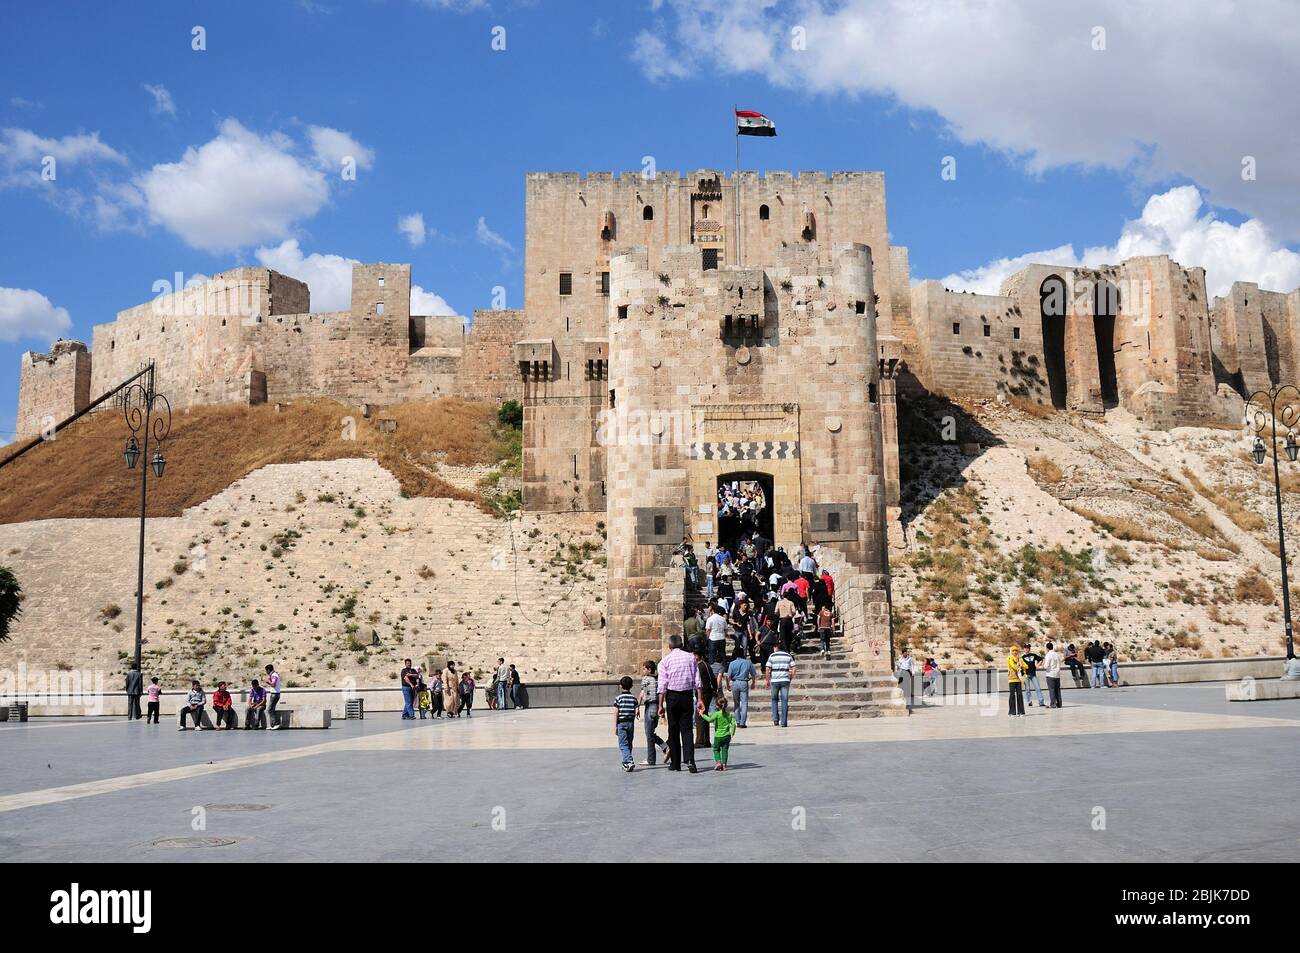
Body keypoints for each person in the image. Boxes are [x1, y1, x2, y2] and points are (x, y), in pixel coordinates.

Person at [657, 634, 704, 773]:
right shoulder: (691, 658)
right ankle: (690, 761)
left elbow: (662, 685)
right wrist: (700, 699)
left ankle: (675, 763)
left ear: (670, 646)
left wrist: (660, 705)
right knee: (687, 730)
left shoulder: (665, 661)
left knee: (673, 730)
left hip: (672, 697)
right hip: (687, 696)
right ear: (681, 644)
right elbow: (698, 680)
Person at [638, 660, 669, 766]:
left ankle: (651, 759)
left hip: (649, 706)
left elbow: (642, 694)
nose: (643, 671)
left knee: (649, 734)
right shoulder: (658, 680)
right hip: (657, 707)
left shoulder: (646, 679)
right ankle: (665, 747)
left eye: (644, 669)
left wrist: (638, 707)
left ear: (649, 669)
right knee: (650, 733)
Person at [700, 695, 737, 771]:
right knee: (725, 750)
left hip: (718, 736)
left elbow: (710, 719)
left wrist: (702, 715)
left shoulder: (717, 714)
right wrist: (732, 733)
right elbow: (733, 724)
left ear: (717, 706)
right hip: (727, 736)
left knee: (716, 749)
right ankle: (724, 765)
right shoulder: (729, 714)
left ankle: (718, 762)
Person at [766, 642, 796, 728]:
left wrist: (767, 680)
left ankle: (775, 719)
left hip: (775, 680)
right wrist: (791, 677)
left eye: (774, 647)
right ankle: (784, 722)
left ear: (776, 647)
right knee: (784, 700)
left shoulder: (772, 656)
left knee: (774, 699)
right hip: (785, 680)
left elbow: (767, 668)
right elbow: (794, 667)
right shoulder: (788, 656)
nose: (773, 649)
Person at [725, 651, 757, 728]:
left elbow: (728, 676)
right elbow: (753, 674)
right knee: (744, 703)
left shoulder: (732, 663)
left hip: (735, 683)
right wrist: (753, 683)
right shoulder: (748, 662)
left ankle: (738, 721)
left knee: (736, 703)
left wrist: (727, 685)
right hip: (744, 683)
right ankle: (743, 722)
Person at [614, 676, 638, 772]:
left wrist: (615, 725)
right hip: (631, 723)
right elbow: (636, 710)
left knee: (623, 744)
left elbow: (616, 712)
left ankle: (629, 760)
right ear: (631, 686)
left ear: (620, 686)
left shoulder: (618, 698)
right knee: (629, 743)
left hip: (621, 723)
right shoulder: (633, 698)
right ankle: (626, 763)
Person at [1021, 642, 1046, 707]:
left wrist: (1038, 665)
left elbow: (1041, 659)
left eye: (1028, 648)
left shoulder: (1033, 655)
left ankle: (1041, 702)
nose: (1027, 649)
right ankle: (1029, 702)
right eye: (1025, 648)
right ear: (1024, 649)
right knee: (1027, 689)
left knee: (1038, 688)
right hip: (1026, 675)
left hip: (1033, 674)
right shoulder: (1022, 657)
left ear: (1029, 648)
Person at [1007, 645, 1026, 717]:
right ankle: (1012, 712)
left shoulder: (1020, 659)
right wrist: (1019, 667)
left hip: (1019, 679)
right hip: (1011, 679)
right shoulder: (1009, 658)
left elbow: (1026, 665)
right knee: (1012, 695)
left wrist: (1023, 666)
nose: (1015, 652)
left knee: (1019, 695)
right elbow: (1013, 665)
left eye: (1016, 651)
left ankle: (1021, 712)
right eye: (1013, 651)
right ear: (1011, 652)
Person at [1043, 641, 1063, 709]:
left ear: (1047, 648)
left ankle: (1053, 704)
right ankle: (1059, 703)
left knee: (1051, 690)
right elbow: (1060, 663)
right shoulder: (1057, 654)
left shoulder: (1048, 655)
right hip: (1057, 675)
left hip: (1050, 674)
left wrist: (1044, 666)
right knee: (1057, 690)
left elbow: (1046, 666)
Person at [265, 664, 283, 729]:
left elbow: (273, 685)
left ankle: (276, 723)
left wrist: (268, 681)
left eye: (266, 671)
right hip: (274, 694)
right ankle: (272, 725)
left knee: (269, 709)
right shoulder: (273, 675)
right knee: (272, 709)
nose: (266, 672)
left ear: (268, 670)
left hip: (275, 694)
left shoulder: (274, 675)